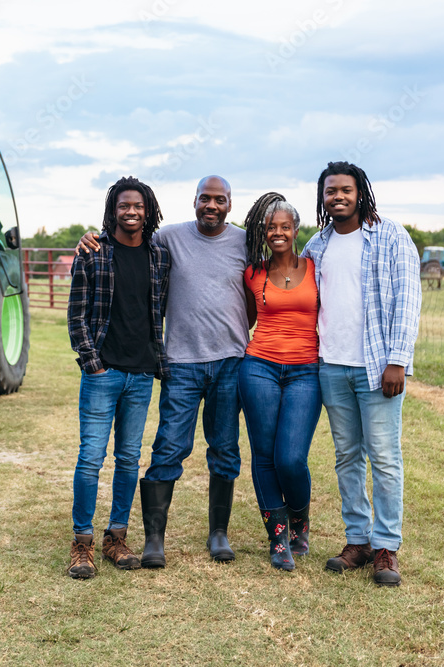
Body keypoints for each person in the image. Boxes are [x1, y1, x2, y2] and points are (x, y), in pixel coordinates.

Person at [78, 175, 251, 567]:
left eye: (219, 199)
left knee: (224, 448)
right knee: (170, 447)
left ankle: (219, 533)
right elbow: (126, 239)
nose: (212, 205)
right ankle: (154, 538)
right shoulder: (168, 238)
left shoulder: (243, 242)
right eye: (205, 198)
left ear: (229, 204)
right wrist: (90, 238)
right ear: (193, 202)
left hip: (230, 362)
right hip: (181, 362)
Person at [302, 161, 421, 586]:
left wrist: (398, 360)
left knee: (385, 458)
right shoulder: (317, 245)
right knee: (347, 456)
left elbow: (408, 301)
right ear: (323, 196)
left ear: (360, 192)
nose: (338, 196)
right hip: (331, 366)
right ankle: (358, 540)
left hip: (377, 367)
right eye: (330, 190)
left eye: (345, 190)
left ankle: (386, 546)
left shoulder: (390, 236)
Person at [66, 176, 170, 580]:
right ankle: (82, 543)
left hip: (142, 373)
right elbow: (76, 315)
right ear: (113, 210)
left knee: (129, 459)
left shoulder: (159, 255)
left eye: (138, 206)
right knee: (91, 458)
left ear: (149, 210)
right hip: (102, 374)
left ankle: (116, 537)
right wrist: (93, 362)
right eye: (124, 205)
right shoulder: (93, 254)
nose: (132, 211)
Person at [238, 192, 322, 571]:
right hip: (259, 367)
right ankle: (277, 538)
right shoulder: (252, 272)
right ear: (263, 231)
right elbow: (246, 316)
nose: (277, 233)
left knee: (290, 458)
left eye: (284, 227)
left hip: (307, 370)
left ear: (296, 230)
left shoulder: (316, 267)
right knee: (264, 455)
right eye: (270, 227)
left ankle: (300, 522)